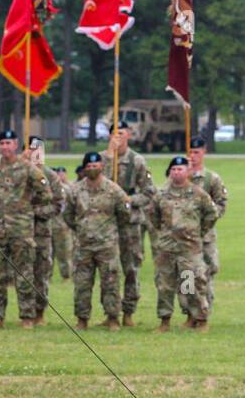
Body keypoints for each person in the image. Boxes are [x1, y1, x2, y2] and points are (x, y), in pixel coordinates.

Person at [0, 130, 53, 329]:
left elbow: (45, 193)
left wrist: (27, 207)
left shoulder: (27, 169)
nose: (5, 147)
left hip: (21, 230)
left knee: (24, 274)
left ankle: (27, 316)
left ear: (16, 144)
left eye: (8, 143)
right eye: (1, 143)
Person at [149, 155, 218, 333]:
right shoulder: (161, 194)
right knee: (165, 285)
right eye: (173, 169)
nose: (176, 172)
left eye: (180, 169)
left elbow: (211, 214)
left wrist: (198, 232)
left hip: (188, 249)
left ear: (187, 172)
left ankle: (199, 318)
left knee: (190, 284)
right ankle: (164, 320)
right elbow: (153, 216)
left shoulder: (198, 194)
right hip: (167, 249)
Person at [63, 151, 130, 330]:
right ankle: (82, 319)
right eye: (89, 166)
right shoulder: (75, 190)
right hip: (83, 245)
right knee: (82, 284)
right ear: (84, 169)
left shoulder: (113, 189)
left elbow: (124, 213)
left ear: (102, 166)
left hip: (107, 245)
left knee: (111, 282)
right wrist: (81, 229)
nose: (93, 169)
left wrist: (109, 230)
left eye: (96, 165)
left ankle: (113, 317)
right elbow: (68, 215)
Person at [104, 122, 155, 326]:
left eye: (121, 133)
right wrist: (109, 156)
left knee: (131, 268)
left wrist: (130, 200)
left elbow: (149, 192)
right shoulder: (102, 158)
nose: (117, 137)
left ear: (129, 136)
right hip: (106, 223)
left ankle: (129, 312)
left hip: (130, 223)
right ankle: (111, 313)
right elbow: (97, 184)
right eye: (113, 134)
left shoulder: (137, 161)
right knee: (109, 269)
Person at [186, 136, 228, 321]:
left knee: (207, 272)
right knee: (186, 274)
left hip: (205, 236)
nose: (193, 156)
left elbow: (221, 205)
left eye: (196, 152)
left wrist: (208, 219)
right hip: (184, 236)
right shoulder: (180, 176)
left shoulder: (211, 179)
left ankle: (204, 312)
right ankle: (188, 312)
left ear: (204, 152)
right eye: (190, 152)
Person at [25, 136, 63, 325]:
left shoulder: (50, 176)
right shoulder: (19, 173)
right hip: (21, 231)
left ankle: (39, 312)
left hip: (41, 232)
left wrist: (35, 212)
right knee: (23, 272)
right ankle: (25, 313)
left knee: (41, 273)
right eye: (31, 149)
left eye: (38, 150)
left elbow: (58, 205)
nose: (35, 153)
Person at [52, 167, 73, 280]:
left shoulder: (66, 189)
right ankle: (46, 276)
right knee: (46, 255)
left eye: (62, 173)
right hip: (47, 226)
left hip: (61, 226)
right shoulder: (46, 188)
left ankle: (66, 276)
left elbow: (71, 205)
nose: (59, 176)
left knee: (64, 254)